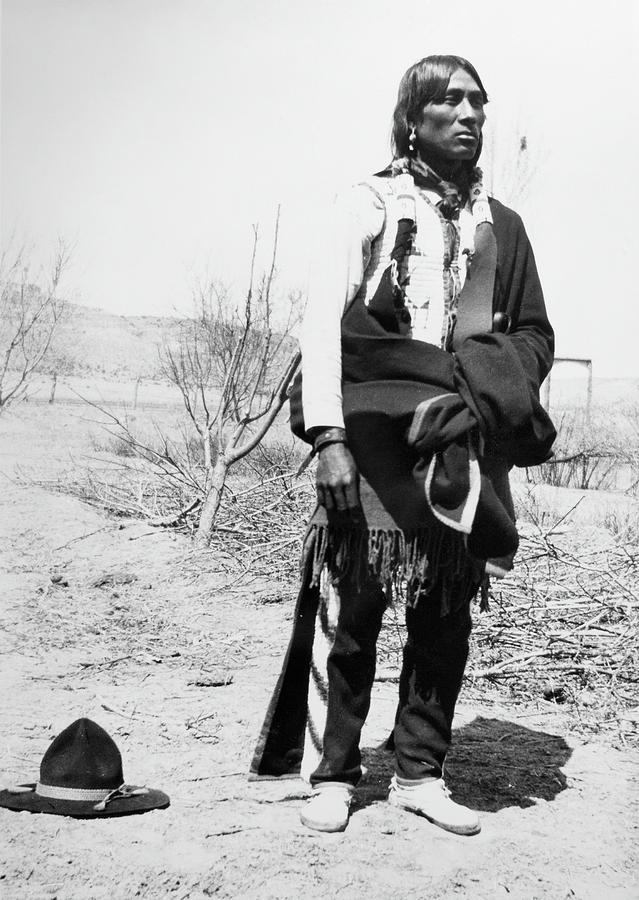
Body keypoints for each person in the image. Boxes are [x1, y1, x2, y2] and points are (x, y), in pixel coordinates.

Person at [250, 54, 555, 835]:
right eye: (447, 101)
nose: (467, 114)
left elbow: (533, 334)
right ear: (411, 118)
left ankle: (420, 771)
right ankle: (332, 774)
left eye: (476, 102)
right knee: (352, 605)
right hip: (374, 435)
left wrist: (487, 375)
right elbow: (322, 324)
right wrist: (328, 438)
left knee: (444, 611)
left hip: (461, 441)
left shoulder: (502, 227)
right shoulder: (369, 203)